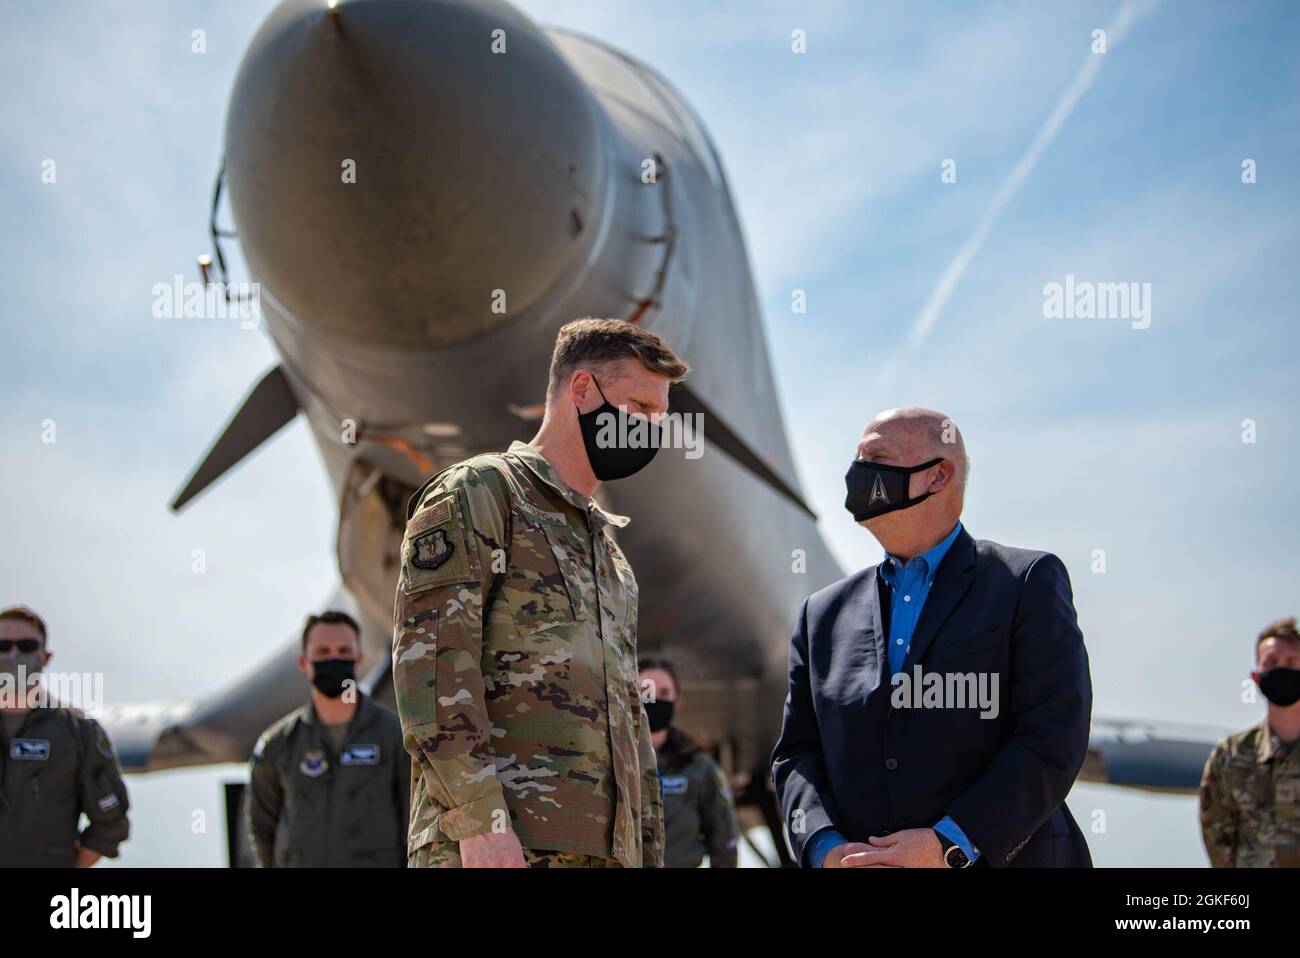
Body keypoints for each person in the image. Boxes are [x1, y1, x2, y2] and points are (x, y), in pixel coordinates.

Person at [393, 317, 687, 868]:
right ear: (583, 390)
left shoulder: (610, 554)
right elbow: (432, 670)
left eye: (660, 417)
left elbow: (629, 721)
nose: (652, 429)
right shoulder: (485, 492)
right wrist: (480, 825)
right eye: (640, 408)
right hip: (500, 849)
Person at [771, 407, 1093, 868]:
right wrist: (823, 848)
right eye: (857, 461)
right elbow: (796, 754)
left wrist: (951, 845)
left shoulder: (1026, 581)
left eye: (875, 458)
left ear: (939, 476)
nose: (857, 474)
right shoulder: (819, 616)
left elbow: (1054, 735)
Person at [246, 610, 408, 867]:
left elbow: (412, 821)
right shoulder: (278, 744)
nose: (334, 659)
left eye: (343, 651)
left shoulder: (394, 736)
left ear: (358, 660)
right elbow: (262, 828)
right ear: (304, 662)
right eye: (323, 652)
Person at [0, 605, 130, 867]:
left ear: (46, 656)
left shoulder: (78, 731)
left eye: (26, 646)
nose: (14, 655)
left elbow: (110, 823)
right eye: (3, 646)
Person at [1199, 616, 1300, 867]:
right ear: (1255, 677)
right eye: (1271, 662)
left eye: (1292, 662)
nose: (1281, 669)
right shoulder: (1230, 756)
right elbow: (1217, 837)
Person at [638, 657, 739, 868]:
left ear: (677, 700)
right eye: (646, 691)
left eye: (665, 692)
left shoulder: (700, 767)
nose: (655, 699)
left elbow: (725, 845)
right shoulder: (610, 763)